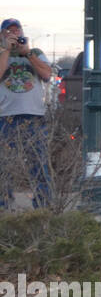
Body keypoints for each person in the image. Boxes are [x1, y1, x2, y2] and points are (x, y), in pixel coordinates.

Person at [0, 19, 53, 210]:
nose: (14, 34)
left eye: (17, 31)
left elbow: (47, 75)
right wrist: (7, 50)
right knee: (3, 164)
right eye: (9, 31)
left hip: (33, 116)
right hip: (6, 116)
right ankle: (3, 204)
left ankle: (43, 203)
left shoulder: (35, 53)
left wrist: (27, 53)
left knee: (38, 161)